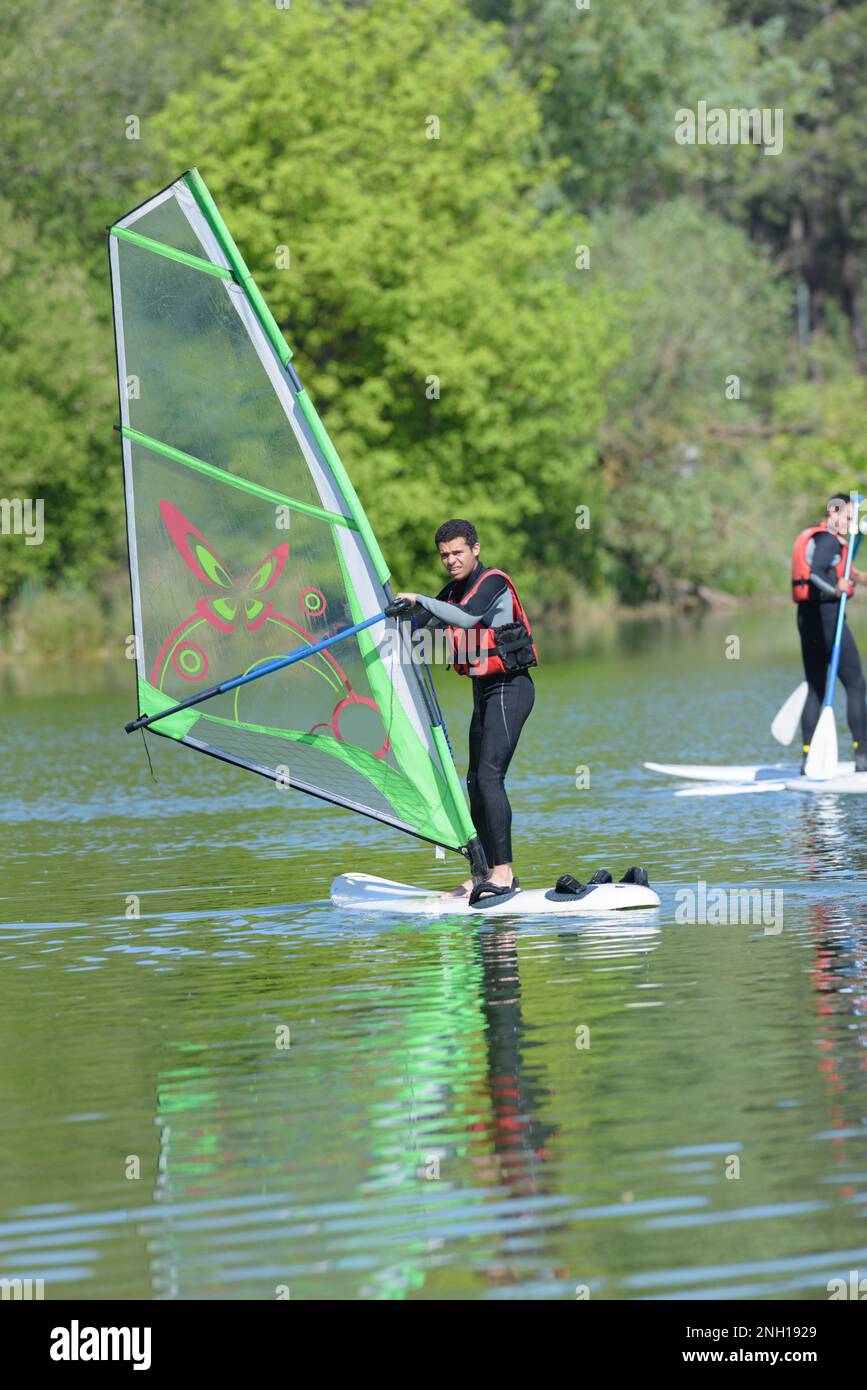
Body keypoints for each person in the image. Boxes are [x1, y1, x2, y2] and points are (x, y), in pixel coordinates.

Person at [395, 519, 537, 902]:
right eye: (444, 555)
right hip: (484, 692)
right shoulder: (455, 589)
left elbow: (467, 616)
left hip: (511, 688)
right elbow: (418, 622)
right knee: (474, 781)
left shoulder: (492, 582)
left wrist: (421, 598)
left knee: (490, 777)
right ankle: (481, 875)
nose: (451, 560)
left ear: (475, 548)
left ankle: (504, 874)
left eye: (457, 552)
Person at [791, 492, 867, 771]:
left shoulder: (823, 539)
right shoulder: (827, 540)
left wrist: (856, 577)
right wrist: (838, 588)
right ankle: (863, 758)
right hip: (827, 616)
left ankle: (807, 757)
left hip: (807, 618)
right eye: (847, 517)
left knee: (816, 688)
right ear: (832, 513)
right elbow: (815, 574)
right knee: (856, 684)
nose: (850, 523)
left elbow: (829, 567)